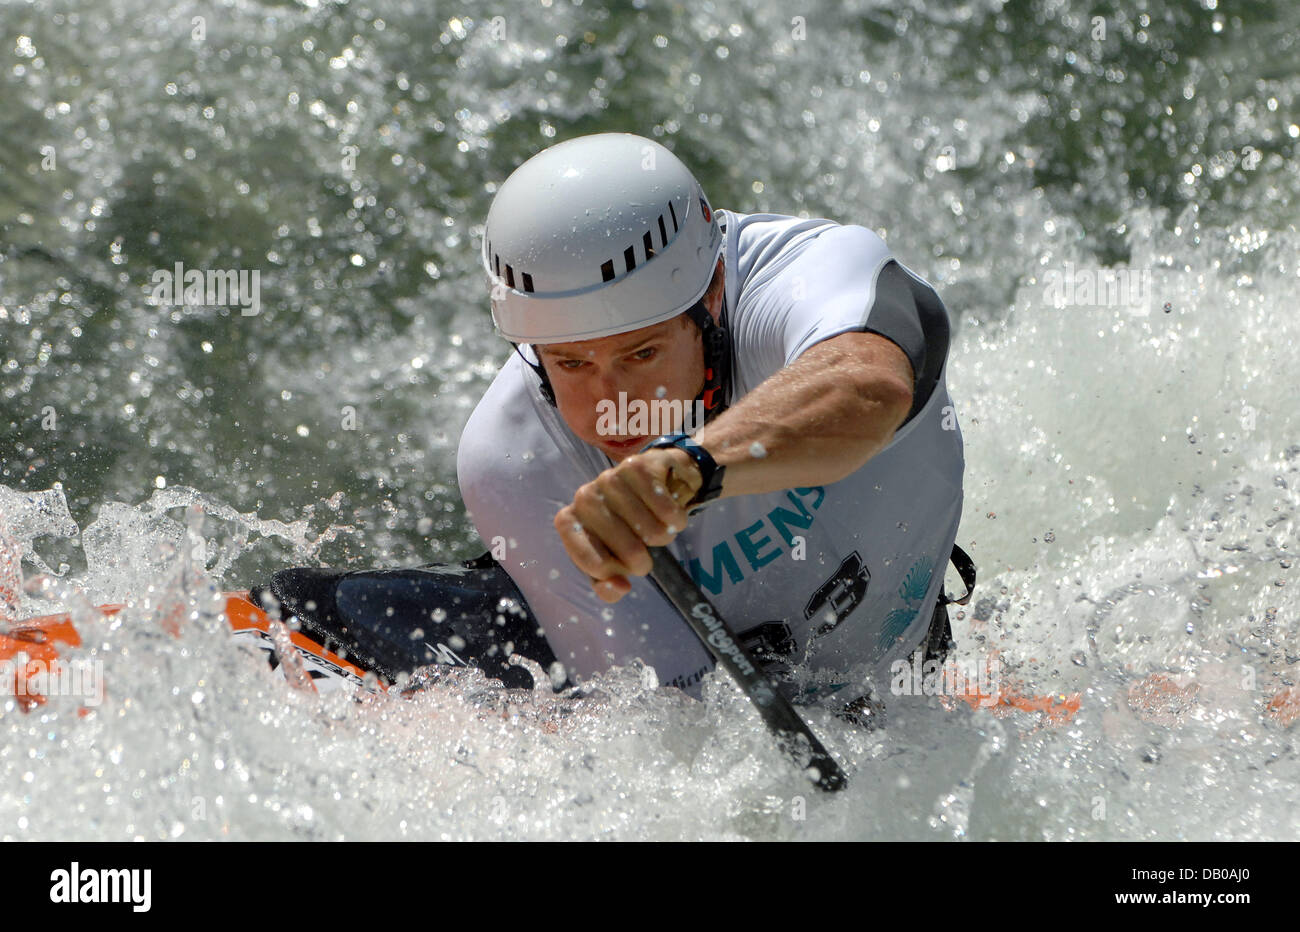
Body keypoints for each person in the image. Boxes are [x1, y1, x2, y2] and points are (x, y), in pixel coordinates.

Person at [457, 132, 971, 713]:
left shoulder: (808, 274)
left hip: (924, 680)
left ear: (714, 293)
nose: (611, 403)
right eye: (572, 364)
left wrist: (691, 467)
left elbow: (867, 388)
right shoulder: (508, 456)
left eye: (641, 354)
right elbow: (675, 732)